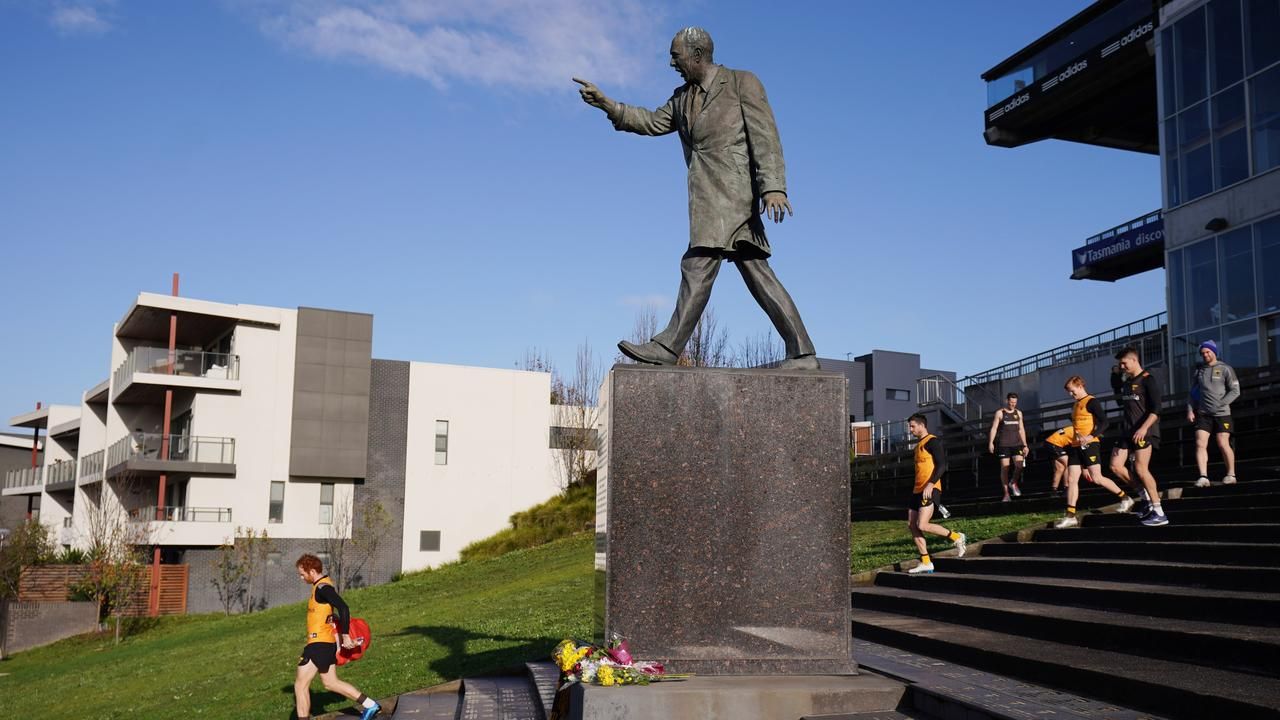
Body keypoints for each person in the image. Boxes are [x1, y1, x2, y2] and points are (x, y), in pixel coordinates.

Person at [574, 27, 819, 370]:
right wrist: (608, 105)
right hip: (706, 197)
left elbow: (765, 135)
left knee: (700, 265)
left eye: (676, 56)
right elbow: (649, 121)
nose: (672, 62)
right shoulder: (681, 98)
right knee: (753, 272)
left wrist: (773, 186)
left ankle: (669, 347)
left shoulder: (740, 83)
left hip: (735, 196)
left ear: (697, 55)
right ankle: (803, 353)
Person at [294, 554, 380, 720]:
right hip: (323, 643)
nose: (301, 577)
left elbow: (344, 608)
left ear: (312, 571)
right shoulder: (320, 586)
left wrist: (346, 636)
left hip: (319, 644)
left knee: (300, 685)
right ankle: (370, 705)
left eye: (302, 573)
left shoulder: (322, 588)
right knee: (330, 683)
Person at [1055, 376, 1135, 529]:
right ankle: (1070, 515)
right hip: (1075, 446)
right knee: (1072, 479)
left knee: (1097, 478)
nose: (1071, 395)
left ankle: (1125, 498)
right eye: (1069, 393)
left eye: (1072, 391)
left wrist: (1091, 436)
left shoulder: (1092, 401)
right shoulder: (1076, 404)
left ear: (1079, 386)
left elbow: (1105, 422)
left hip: (1090, 445)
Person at [1108, 347, 1167, 526]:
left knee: (1141, 469)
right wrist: (1115, 378)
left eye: (1124, 363)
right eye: (1120, 364)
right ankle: (1145, 497)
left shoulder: (1148, 380)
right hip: (1127, 430)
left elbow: (1156, 409)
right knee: (1115, 466)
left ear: (1134, 360)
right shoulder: (1127, 383)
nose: (1122, 366)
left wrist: (1143, 428)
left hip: (1145, 431)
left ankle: (1159, 511)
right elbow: (1120, 401)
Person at [904, 414, 966, 574]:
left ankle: (956, 537)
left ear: (921, 425)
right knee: (912, 525)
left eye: (912, 426)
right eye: (910, 426)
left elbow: (942, 465)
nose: (910, 430)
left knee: (922, 525)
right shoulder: (918, 446)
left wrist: (930, 484)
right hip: (917, 490)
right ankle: (926, 562)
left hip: (930, 488)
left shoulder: (933, 441)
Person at [1188, 340, 1241, 487]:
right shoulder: (1199, 371)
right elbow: (1192, 393)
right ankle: (1203, 476)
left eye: (1207, 352)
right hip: (1203, 414)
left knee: (1223, 443)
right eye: (1203, 353)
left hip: (1222, 413)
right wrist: (1190, 409)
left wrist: (1221, 403)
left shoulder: (1226, 369)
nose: (1205, 355)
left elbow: (1235, 390)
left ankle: (1231, 474)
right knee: (1200, 443)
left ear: (1214, 352)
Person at [987, 393, 1028, 501]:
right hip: (1004, 444)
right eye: (1011, 402)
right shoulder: (1000, 413)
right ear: (1007, 401)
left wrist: (1025, 445)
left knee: (1019, 466)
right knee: (1005, 468)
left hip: (1016, 444)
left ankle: (1013, 482)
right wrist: (991, 442)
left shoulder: (1018, 413)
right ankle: (1006, 494)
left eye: (1015, 402)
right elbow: (994, 428)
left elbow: (1021, 429)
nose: (1013, 404)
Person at [1043, 425, 1074, 496]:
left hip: (1050, 443)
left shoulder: (1073, 428)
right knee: (1068, 464)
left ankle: (1054, 491)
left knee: (1060, 468)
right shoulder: (1079, 430)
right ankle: (1066, 488)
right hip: (1054, 444)